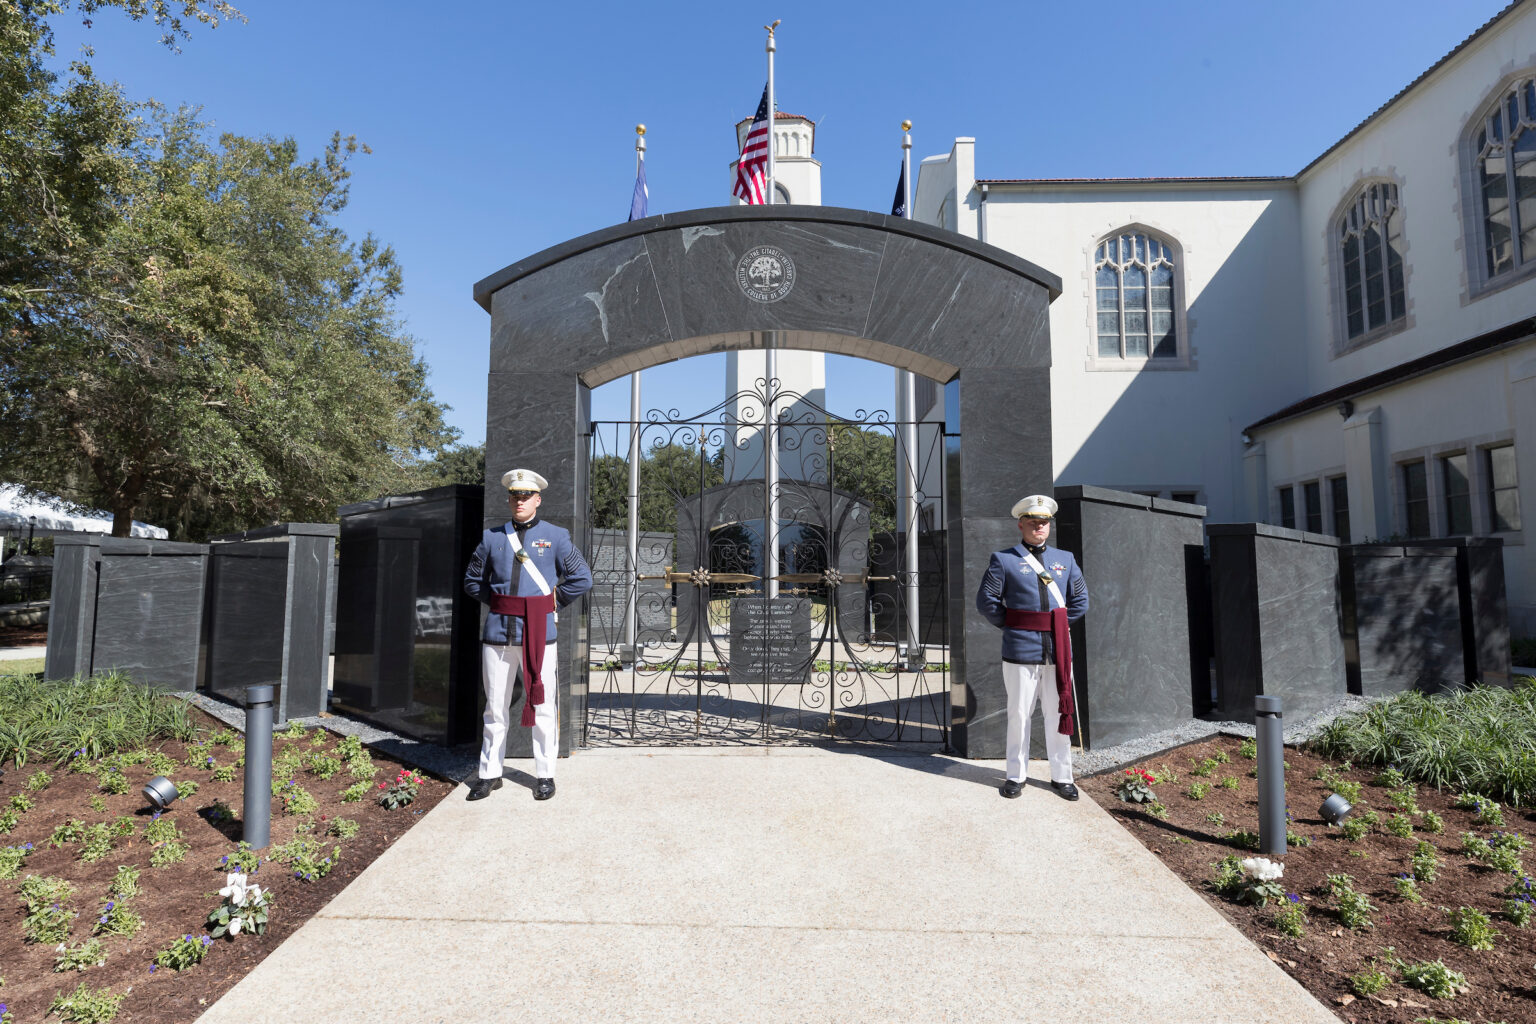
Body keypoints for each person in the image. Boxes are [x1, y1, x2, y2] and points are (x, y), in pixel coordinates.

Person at [463, 468, 593, 801]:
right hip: (498, 634)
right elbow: (472, 581)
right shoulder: (492, 538)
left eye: (525, 496)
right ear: (509, 499)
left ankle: (545, 774)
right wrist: (501, 603)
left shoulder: (556, 536)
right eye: (514, 496)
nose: (519, 501)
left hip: (539, 634)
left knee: (544, 706)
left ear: (537, 499)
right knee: (495, 708)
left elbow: (581, 577)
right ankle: (489, 774)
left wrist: (551, 603)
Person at [974, 494, 1089, 801]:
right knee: (1019, 714)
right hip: (1020, 650)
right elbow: (986, 602)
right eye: (1033, 522)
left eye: (1044, 522)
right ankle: (1016, 775)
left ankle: (1062, 777)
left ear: (1049, 525)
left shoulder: (1066, 559)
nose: (1039, 527)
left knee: (1059, 712)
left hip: (1058, 651)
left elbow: (1081, 600)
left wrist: (1055, 626)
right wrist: (1015, 624)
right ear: (1021, 524)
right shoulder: (1004, 560)